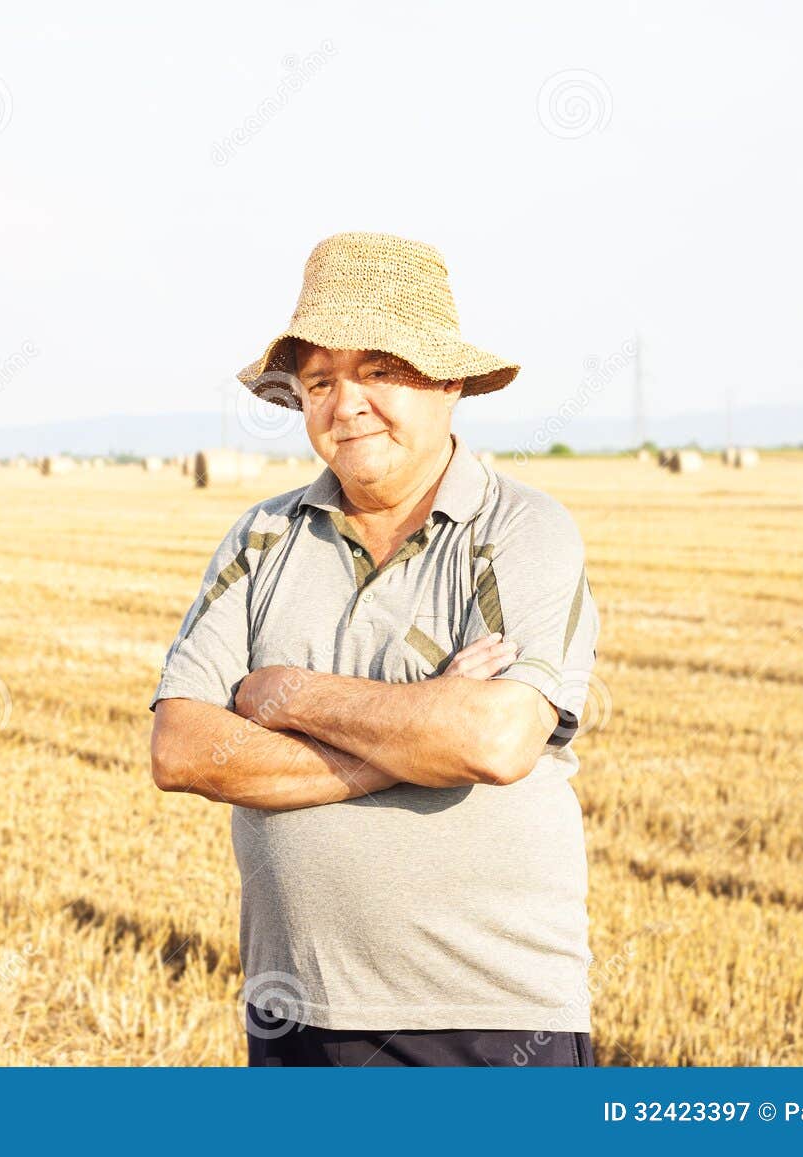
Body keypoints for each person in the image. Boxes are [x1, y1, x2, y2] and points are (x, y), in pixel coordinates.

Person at [149, 232, 601, 1067]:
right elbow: (181, 748)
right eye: (320, 380)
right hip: (293, 1012)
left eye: (379, 371)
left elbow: (494, 742)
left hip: (487, 1016)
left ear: (450, 381)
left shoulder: (519, 531)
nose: (344, 403)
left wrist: (281, 694)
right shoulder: (262, 537)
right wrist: (418, 734)